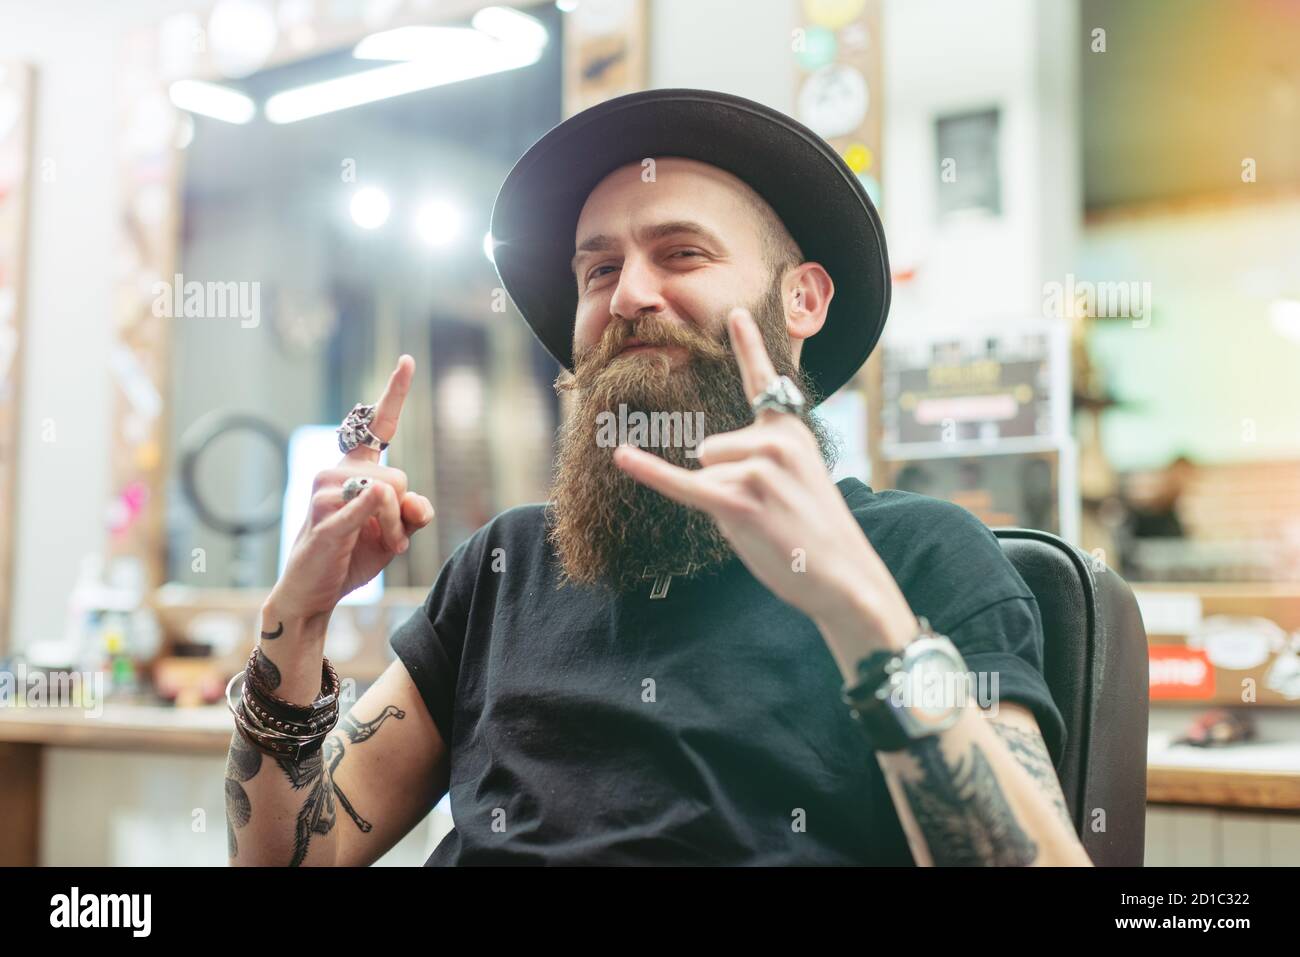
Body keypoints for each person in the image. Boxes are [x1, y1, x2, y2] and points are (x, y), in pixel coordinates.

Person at [225, 89, 1091, 866]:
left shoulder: (921, 559)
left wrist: (856, 605)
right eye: (598, 269)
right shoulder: (505, 567)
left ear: (803, 302)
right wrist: (296, 620)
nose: (631, 293)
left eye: (680, 253)